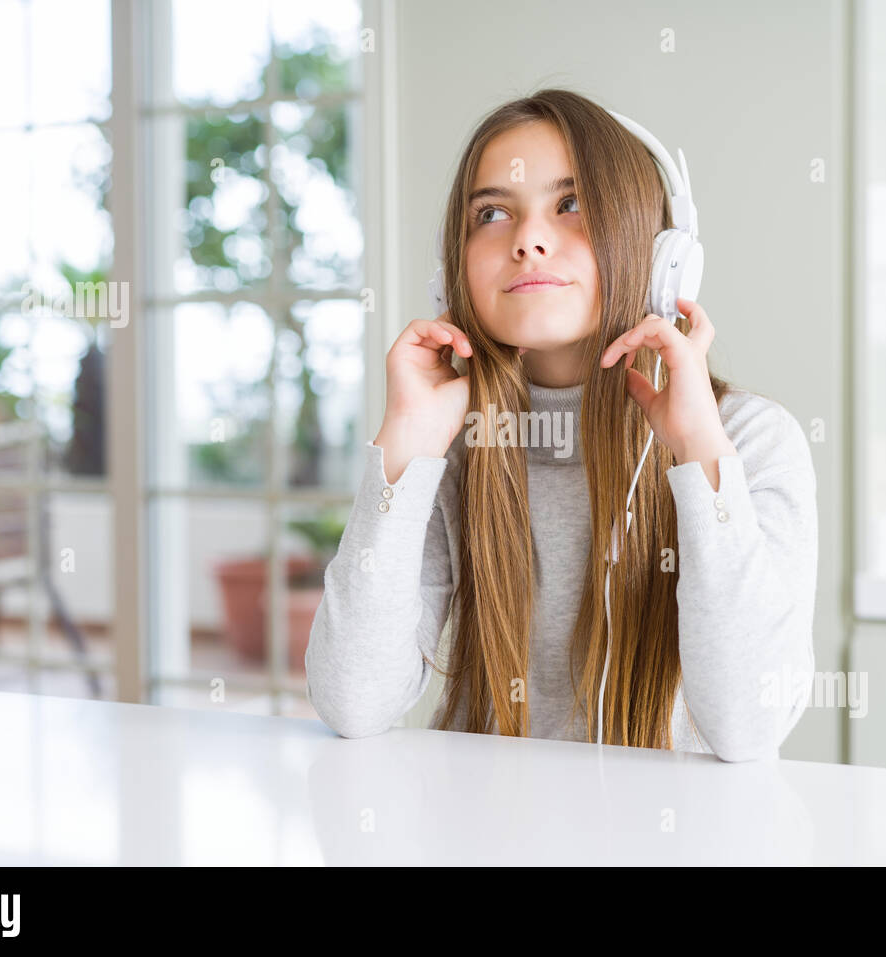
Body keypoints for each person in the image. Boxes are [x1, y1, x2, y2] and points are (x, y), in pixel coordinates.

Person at [305, 88, 818, 761]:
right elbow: (353, 699)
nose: (528, 240)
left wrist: (699, 453)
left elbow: (747, 725)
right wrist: (404, 450)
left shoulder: (751, 441)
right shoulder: (451, 448)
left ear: (666, 256)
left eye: (570, 205)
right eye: (491, 213)